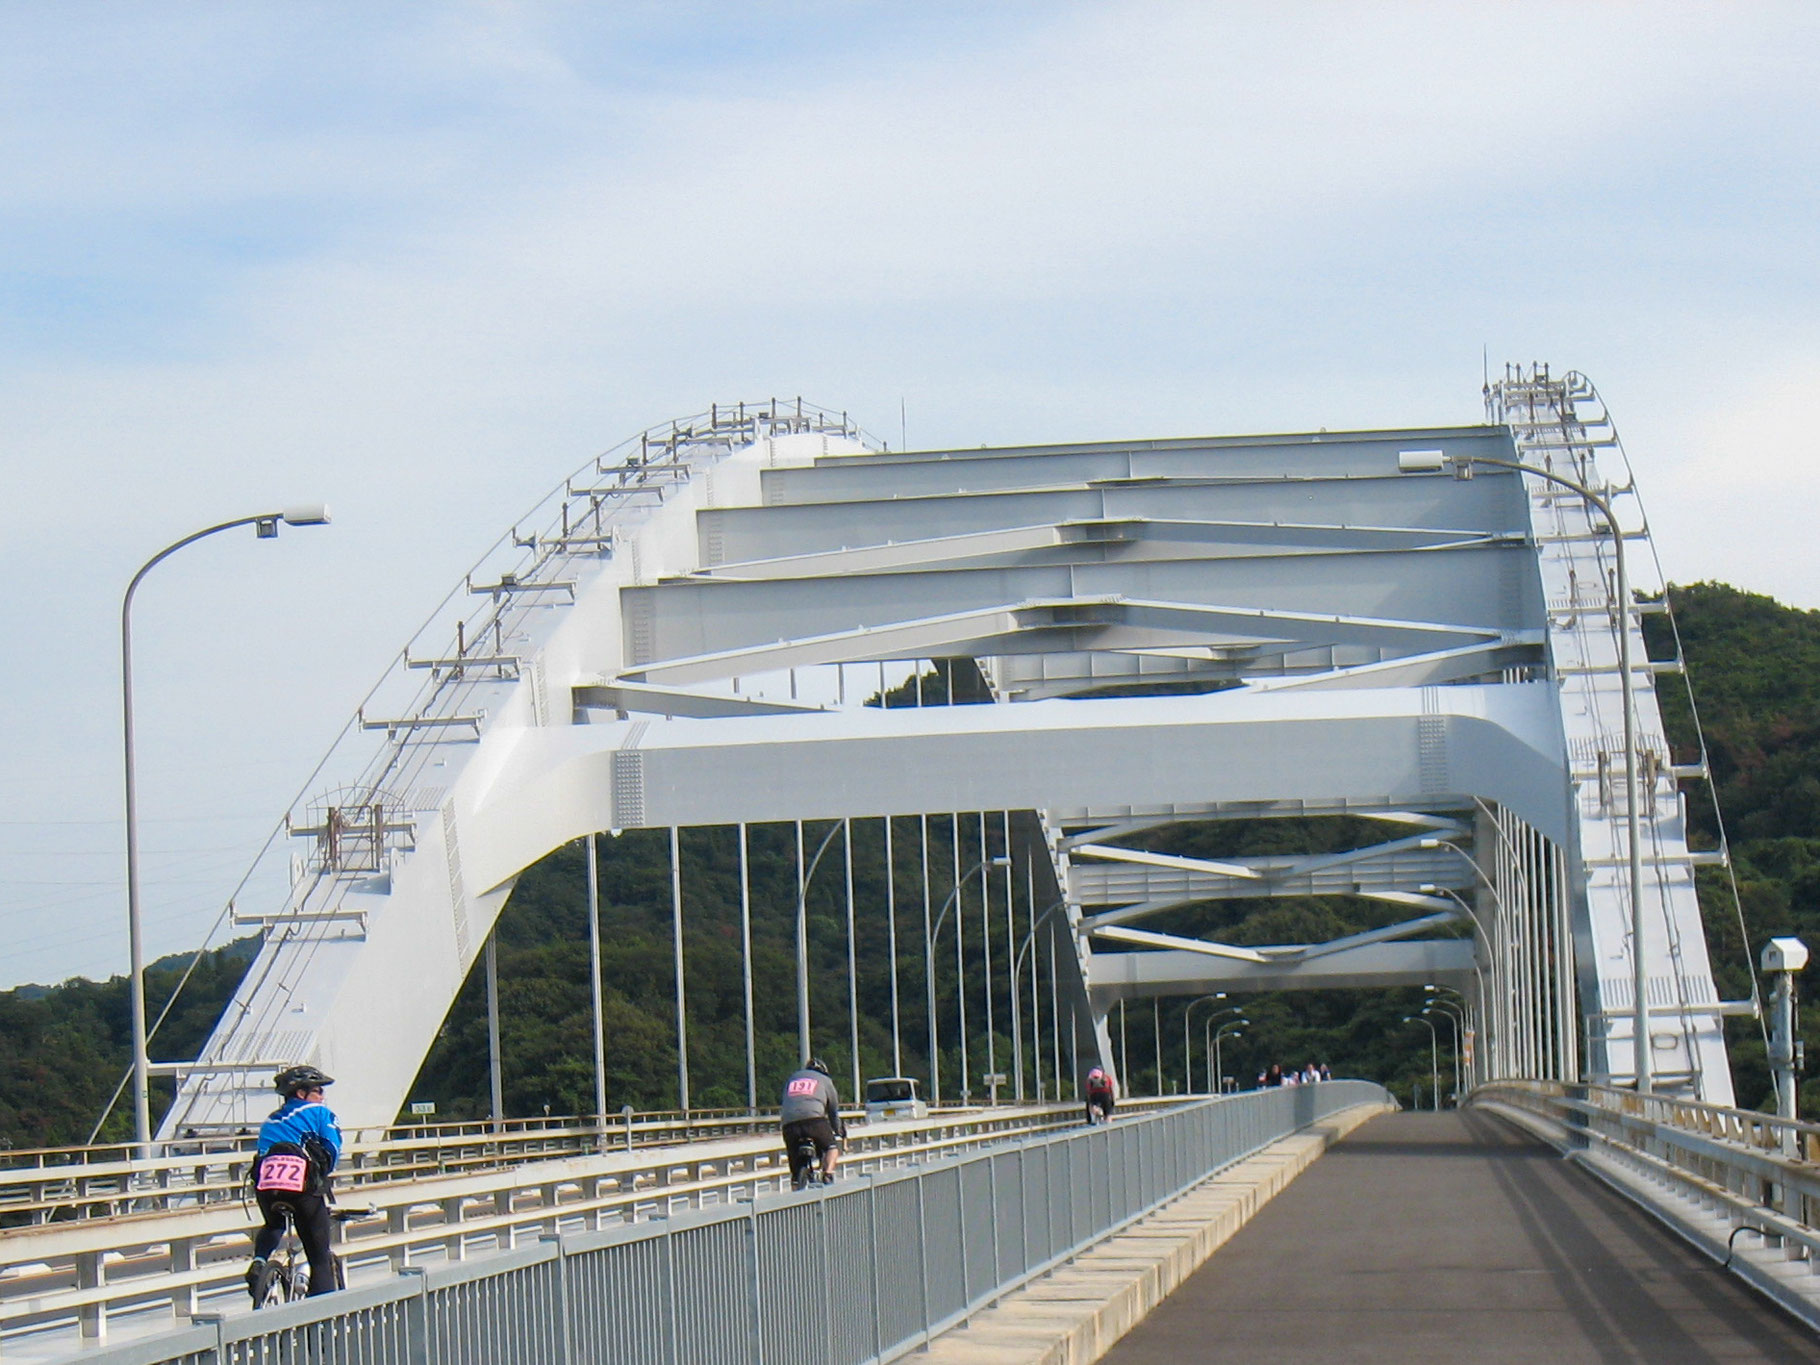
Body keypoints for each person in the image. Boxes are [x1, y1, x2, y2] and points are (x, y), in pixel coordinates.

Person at [247, 1064, 343, 1300]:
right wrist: (321, 1178)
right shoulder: (320, 1113)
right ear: (301, 1093)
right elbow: (333, 1149)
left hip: (267, 1187)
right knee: (319, 1256)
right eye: (318, 1090)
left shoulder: (271, 1120)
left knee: (273, 1224)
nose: (322, 1096)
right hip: (301, 1188)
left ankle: (259, 1262)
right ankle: (322, 1320)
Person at [780, 1057, 845, 1188]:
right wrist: (838, 1130)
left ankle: (795, 1183)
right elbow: (833, 1110)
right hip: (814, 1121)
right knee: (832, 1148)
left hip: (789, 1124)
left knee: (794, 1159)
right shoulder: (825, 1080)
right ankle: (828, 1174)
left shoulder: (792, 1078)